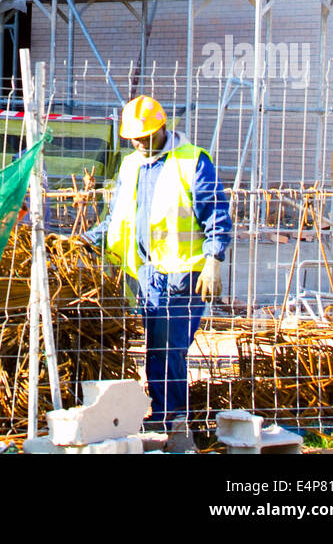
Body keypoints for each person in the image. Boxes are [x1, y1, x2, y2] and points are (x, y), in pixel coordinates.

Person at [89, 95, 232, 429]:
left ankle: (172, 420)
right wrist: (85, 240)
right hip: (146, 274)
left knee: (169, 350)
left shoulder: (192, 161)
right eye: (134, 137)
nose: (139, 141)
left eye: (146, 135)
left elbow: (216, 214)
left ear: (163, 127)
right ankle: (163, 416)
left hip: (183, 273)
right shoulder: (130, 165)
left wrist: (214, 259)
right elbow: (116, 217)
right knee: (155, 348)